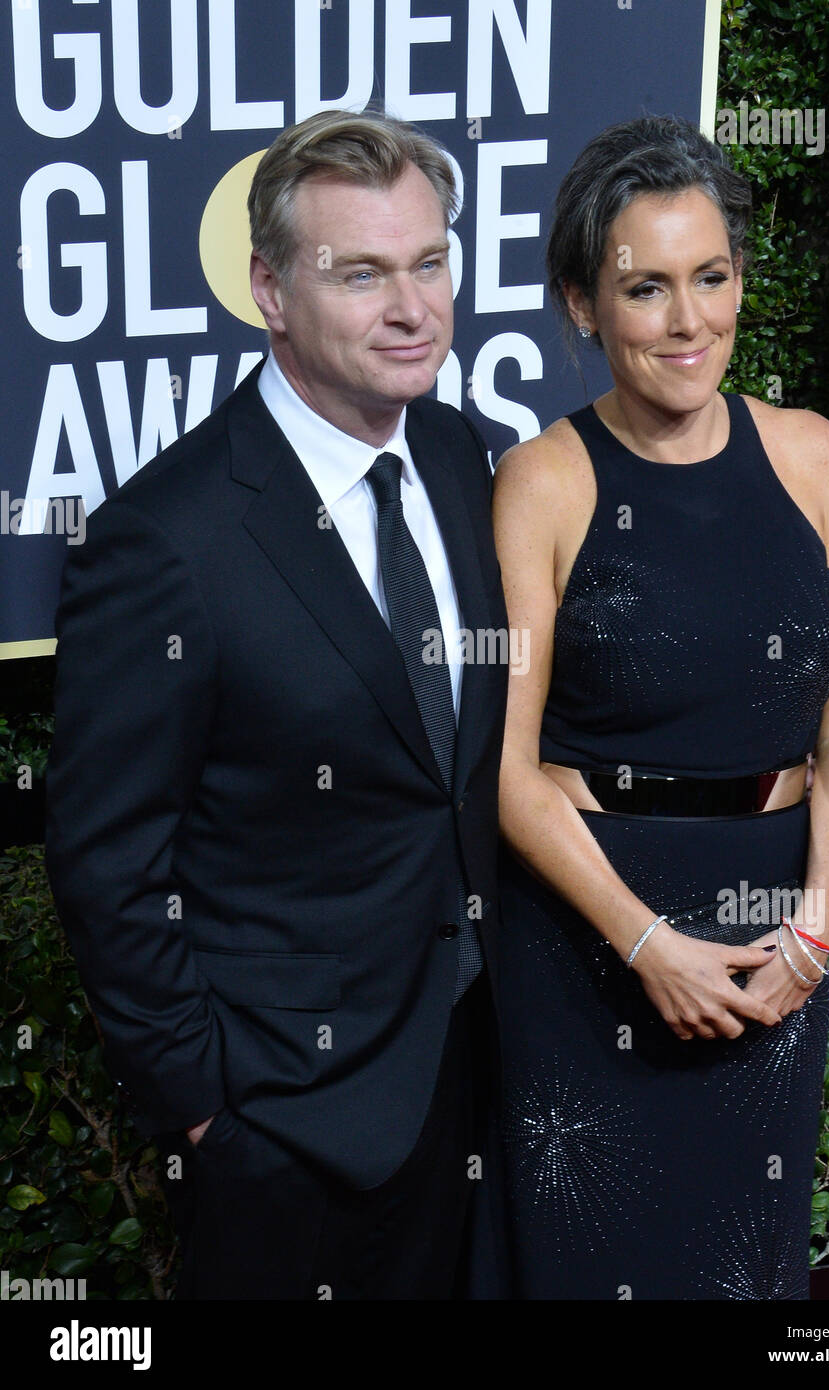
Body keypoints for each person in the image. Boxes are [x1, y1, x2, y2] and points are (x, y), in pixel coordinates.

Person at [44, 109, 509, 1300]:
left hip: (474, 1076)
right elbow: (106, 862)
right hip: (287, 1126)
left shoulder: (460, 456)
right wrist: (209, 1113)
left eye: (429, 262)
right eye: (361, 273)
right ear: (269, 288)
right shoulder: (165, 539)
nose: (413, 308)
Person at [491, 115, 829, 1300]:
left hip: (778, 941)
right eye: (645, 289)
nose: (687, 321)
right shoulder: (542, 480)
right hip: (588, 944)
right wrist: (644, 942)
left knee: (744, 1270)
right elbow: (505, 766)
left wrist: (811, 929)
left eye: (709, 278)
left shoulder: (810, 453)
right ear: (580, 305)